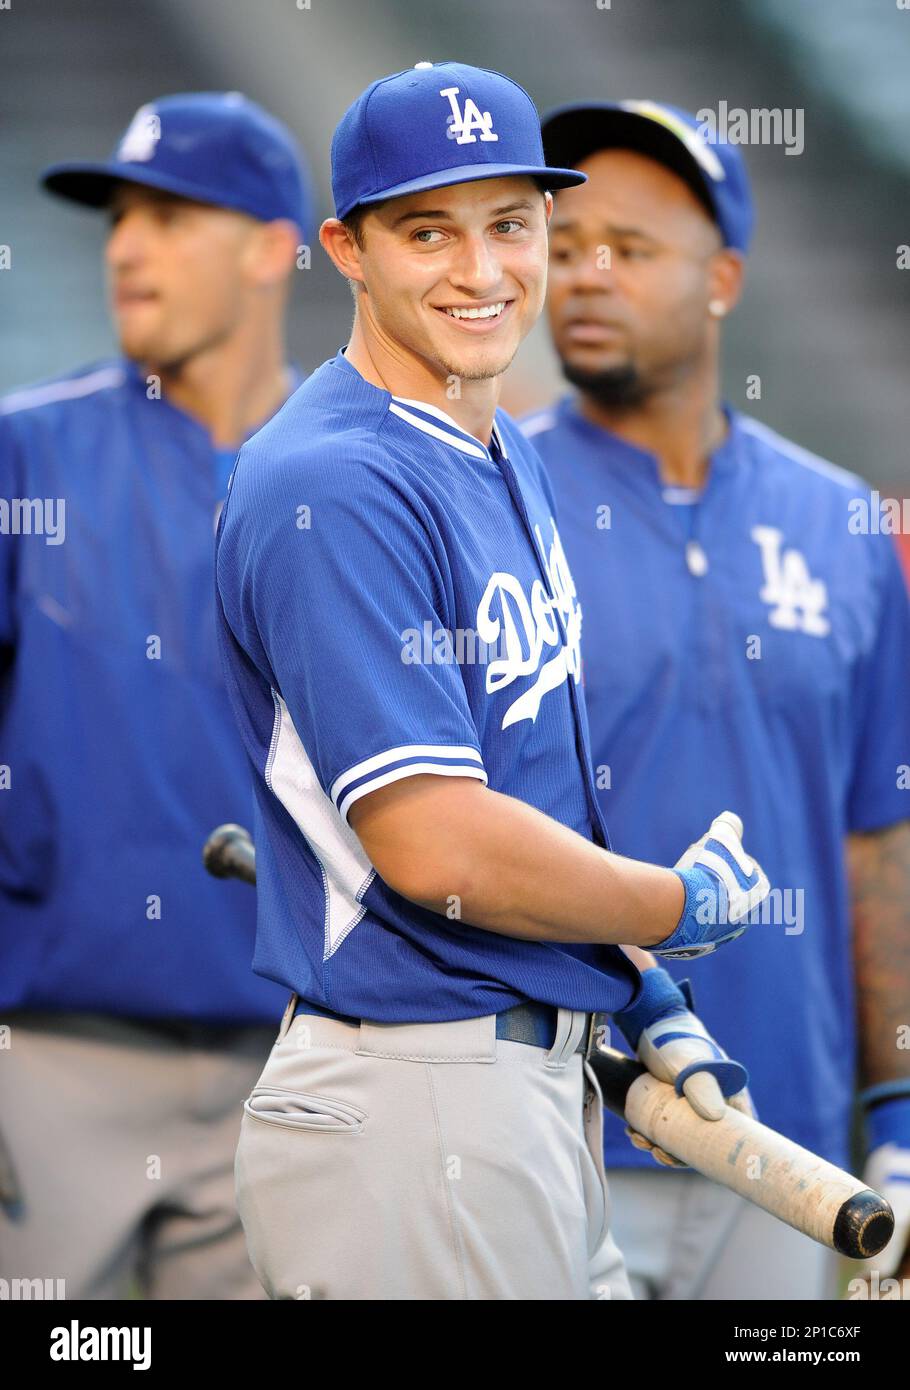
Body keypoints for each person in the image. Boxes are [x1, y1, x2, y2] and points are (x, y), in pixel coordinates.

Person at [215, 62, 771, 1302]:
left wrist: (641, 988)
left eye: (509, 225)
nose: (481, 272)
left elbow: (524, 787)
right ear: (346, 249)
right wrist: (666, 903)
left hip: (514, 1089)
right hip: (416, 1103)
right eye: (427, 231)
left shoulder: (495, 438)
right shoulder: (334, 481)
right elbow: (437, 845)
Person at [520, 99, 910, 1300]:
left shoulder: (839, 519)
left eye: (629, 250)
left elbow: (877, 841)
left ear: (723, 277)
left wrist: (897, 1107)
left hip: (785, 1143)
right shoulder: (491, 491)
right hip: (556, 1117)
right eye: (566, 244)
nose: (585, 276)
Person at [0, 92, 313, 1299]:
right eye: (118, 216)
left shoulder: (358, 476)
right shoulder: (26, 454)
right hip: (52, 1063)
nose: (126, 243)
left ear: (271, 247)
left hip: (294, 1071)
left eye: (170, 215)